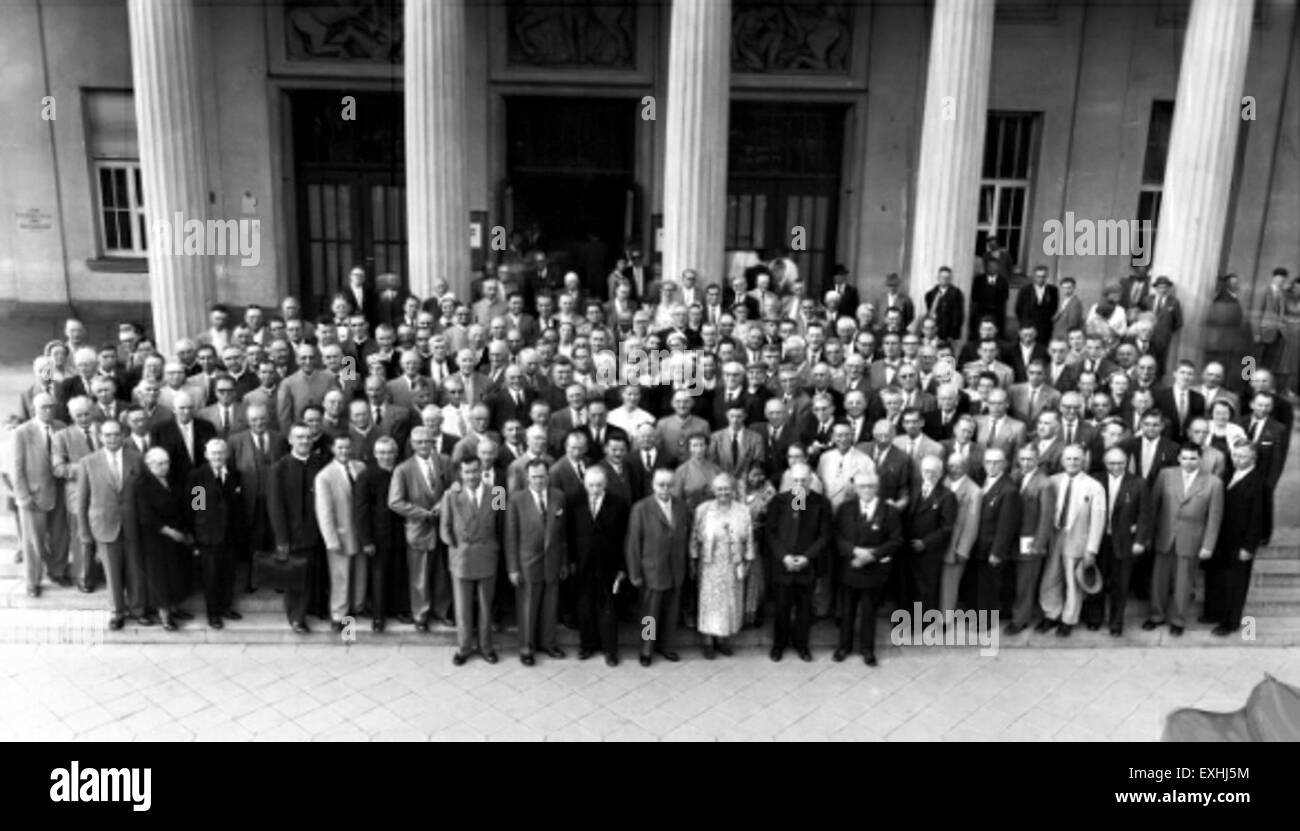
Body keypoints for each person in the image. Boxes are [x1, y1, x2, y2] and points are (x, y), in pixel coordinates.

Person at [1144, 444, 1224, 636]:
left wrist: (1208, 545)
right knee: (1158, 579)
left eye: (1193, 458)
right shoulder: (1165, 475)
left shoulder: (1213, 482)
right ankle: (1156, 615)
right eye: (1185, 458)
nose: (1189, 462)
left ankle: (1178, 620)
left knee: (1184, 582)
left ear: (1201, 459)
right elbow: (1153, 507)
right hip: (1164, 535)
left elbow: (1214, 517)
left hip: (1191, 539)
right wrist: (1147, 535)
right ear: (1179, 458)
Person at [77, 418, 145, 629]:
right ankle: (117, 612)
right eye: (107, 435)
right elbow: (82, 501)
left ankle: (138, 609)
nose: (112, 438)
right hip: (104, 524)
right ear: (100, 437)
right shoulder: (88, 462)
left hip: (132, 524)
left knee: (135, 569)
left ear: (124, 436)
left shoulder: (136, 458)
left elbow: (143, 494)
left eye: (116, 434)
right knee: (112, 572)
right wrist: (85, 533)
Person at [833, 472, 902, 666]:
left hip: (874, 570)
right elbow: (837, 536)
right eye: (862, 486)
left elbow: (896, 541)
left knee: (869, 612)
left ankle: (867, 649)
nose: (866, 490)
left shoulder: (889, 511)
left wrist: (872, 555)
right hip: (850, 566)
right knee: (847, 610)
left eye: (870, 486)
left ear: (877, 487)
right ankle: (843, 647)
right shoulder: (844, 509)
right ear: (855, 488)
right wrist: (854, 551)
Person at [440, 457, 505, 665]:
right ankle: (464, 647)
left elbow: (502, 525)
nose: (472, 476)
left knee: (486, 605)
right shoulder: (451, 495)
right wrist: (455, 546)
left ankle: (486, 647)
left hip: (487, 554)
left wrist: (497, 549)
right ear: (461, 473)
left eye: (475, 471)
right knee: (462, 606)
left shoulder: (497, 493)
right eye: (467, 472)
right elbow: (445, 526)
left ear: (482, 471)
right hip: (463, 557)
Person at [1082, 447, 1151, 636]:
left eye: (1120, 463)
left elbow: (1145, 515)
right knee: (1096, 581)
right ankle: (1094, 619)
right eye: (1112, 463)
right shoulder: (1094, 480)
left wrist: (1140, 541)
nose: (1116, 466)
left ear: (1127, 463)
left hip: (1124, 542)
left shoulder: (1139, 483)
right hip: (1099, 540)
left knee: (1120, 586)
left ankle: (1116, 623)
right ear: (1105, 463)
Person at [1036, 445, 1104, 637]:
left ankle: (1068, 619)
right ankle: (1051, 613)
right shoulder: (1052, 481)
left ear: (1083, 461)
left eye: (1077, 459)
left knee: (1072, 581)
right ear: (1062, 461)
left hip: (1077, 537)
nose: (1073, 462)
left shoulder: (1094, 486)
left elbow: (1098, 521)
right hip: (1056, 535)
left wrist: (1091, 549)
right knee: (1050, 577)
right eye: (1069, 459)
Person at [765, 463, 831, 661]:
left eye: (804, 480)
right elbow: (771, 533)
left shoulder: (821, 503)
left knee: (804, 610)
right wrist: (784, 556)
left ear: (811, 480)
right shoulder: (779, 501)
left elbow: (824, 535)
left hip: (806, 566)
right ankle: (779, 646)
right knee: (781, 609)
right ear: (789, 481)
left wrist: (806, 557)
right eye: (796, 480)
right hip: (783, 565)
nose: (800, 484)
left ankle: (802, 645)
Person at [625, 467, 691, 666]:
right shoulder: (641, 508)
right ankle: (647, 649)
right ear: (653, 485)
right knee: (650, 615)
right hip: (652, 570)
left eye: (670, 485)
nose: (665, 489)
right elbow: (633, 543)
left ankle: (668, 646)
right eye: (661, 485)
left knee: (671, 612)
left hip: (675, 569)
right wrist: (635, 573)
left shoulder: (681, 506)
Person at [505, 459, 568, 665]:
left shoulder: (558, 497)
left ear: (548, 476)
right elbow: (510, 536)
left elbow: (563, 535)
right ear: (527, 478)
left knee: (550, 606)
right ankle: (526, 647)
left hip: (553, 561)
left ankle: (548, 643)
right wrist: (513, 568)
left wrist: (564, 562)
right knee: (528, 607)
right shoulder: (516, 500)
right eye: (534, 477)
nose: (538, 481)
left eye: (542, 476)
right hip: (527, 562)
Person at [266, 423, 328, 634]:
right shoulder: (279, 468)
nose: (304, 441)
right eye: (299, 437)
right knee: (296, 577)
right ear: (291, 440)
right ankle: (296, 617)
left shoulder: (321, 463)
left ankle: (316, 609)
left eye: (308, 437)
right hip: (294, 534)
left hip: (319, 532)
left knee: (316, 574)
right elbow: (275, 507)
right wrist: (282, 540)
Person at [389, 426, 451, 630]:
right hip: (419, 529)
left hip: (444, 527)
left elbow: (454, 487)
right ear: (412, 445)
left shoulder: (444, 461)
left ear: (434, 441)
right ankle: (420, 615)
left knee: (442, 573)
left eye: (428, 441)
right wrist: (423, 514)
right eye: (419, 442)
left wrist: (443, 504)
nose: (425, 445)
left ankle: (442, 610)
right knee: (420, 576)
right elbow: (395, 502)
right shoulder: (403, 469)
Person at [11, 392, 71, 596]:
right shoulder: (22, 432)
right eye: (43, 407)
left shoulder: (62, 427)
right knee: (32, 541)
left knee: (60, 536)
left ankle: (58, 571)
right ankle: (33, 582)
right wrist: (22, 495)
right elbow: (16, 467)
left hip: (60, 491)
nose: (48, 410)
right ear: (34, 409)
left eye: (51, 406)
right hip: (34, 495)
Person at [691, 473, 753, 659]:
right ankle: (708, 641)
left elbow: (749, 536)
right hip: (710, 565)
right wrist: (692, 559)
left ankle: (723, 639)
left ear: (733, 490)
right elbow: (694, 536)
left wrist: (749, 559)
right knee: (709, 603)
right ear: (713, 490)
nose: (723, 492)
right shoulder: (703, 509)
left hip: (733, 564)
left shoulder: (742, 510)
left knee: (729, 603)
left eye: (727, 488)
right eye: (719, 489)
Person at [570, 466, 628, 665]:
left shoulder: (618, 504)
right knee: (584, 606)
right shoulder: (575, 503)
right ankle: (587, 645)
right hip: (583, 564)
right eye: (591, 485)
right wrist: (570, 562)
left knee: (608, 609)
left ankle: (610, 650)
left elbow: (624, 538)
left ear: (606, 485)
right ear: (585, 485)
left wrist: (622, 567)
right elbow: (569, 536)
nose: (595, 489)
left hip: (608, 565)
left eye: (599, 485)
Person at [1210, 442, 1268, 637]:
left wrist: (1248, 546)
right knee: (1220, 578)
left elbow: (1258, 517)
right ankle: (1216, 614)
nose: (1237, 459)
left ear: (1253, 458)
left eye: (1243, 456)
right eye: (1235, 455)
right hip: (1222, 537)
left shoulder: (1259, 482)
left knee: (1236, 583)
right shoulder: (1226, 475)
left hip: (1241, 541)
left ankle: (1231, 622)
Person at [188, 438, 244, 629]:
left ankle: (226, 607)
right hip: (208, 536)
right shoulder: (198, 477)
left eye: (221, 453)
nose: (217, 457)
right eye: (213, 453)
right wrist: (197, 537)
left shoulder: (235, 474)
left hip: (231, 535)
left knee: (228, 574)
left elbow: (238, 504)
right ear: (206, 455)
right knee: (211, 577)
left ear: (226, 454)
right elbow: (197, 507)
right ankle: (213, 614)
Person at [132, 447, 190, 630]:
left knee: (177, 573)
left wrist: (189, 526)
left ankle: (175, 608)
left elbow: (192, 501)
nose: (164, 467)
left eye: (166, 462)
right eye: (159, 463)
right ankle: (165, 616)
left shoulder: (176, 479)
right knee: (160, 577)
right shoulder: (141, 484)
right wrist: (171, 532)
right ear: (148, 464)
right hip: (156, 538)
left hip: (178, 535)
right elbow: (146, 517)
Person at [315, 434, 367, 632]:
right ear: (333, 449)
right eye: (340, 448)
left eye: (347, 447)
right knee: (341, 577)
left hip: (361, 532)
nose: (344, 451)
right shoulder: (324, 476)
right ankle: (340, 616)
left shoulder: (360, 468)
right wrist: (331, 539)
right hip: (341, 533)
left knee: (359, 574)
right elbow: (325, 511)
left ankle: (356, 608)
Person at [354, 436, 403, 632]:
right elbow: (361, 510)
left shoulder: (401, 472)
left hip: (400, 532)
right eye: (382, 452)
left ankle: (397, 609)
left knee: (398, 573)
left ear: (396, 453)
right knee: (379, 576)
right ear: (375, 454)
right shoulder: (366, 476)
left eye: (390, 452)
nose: (386, 457)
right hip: (378, 535)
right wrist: (366, 539)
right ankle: (378, 617)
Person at [1008, 446, 1054, 635]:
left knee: (1025, 582)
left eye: (1030, 459)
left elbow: (1046, 517)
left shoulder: (1045, 484)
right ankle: (1013, 613)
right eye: (1023, 459)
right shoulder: (1015, 477)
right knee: (1014, 580)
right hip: (1012, 538)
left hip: (1030, 540)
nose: (1026, 463)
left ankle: (1021, 619)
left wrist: (1039, 543)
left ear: (1037, 460)